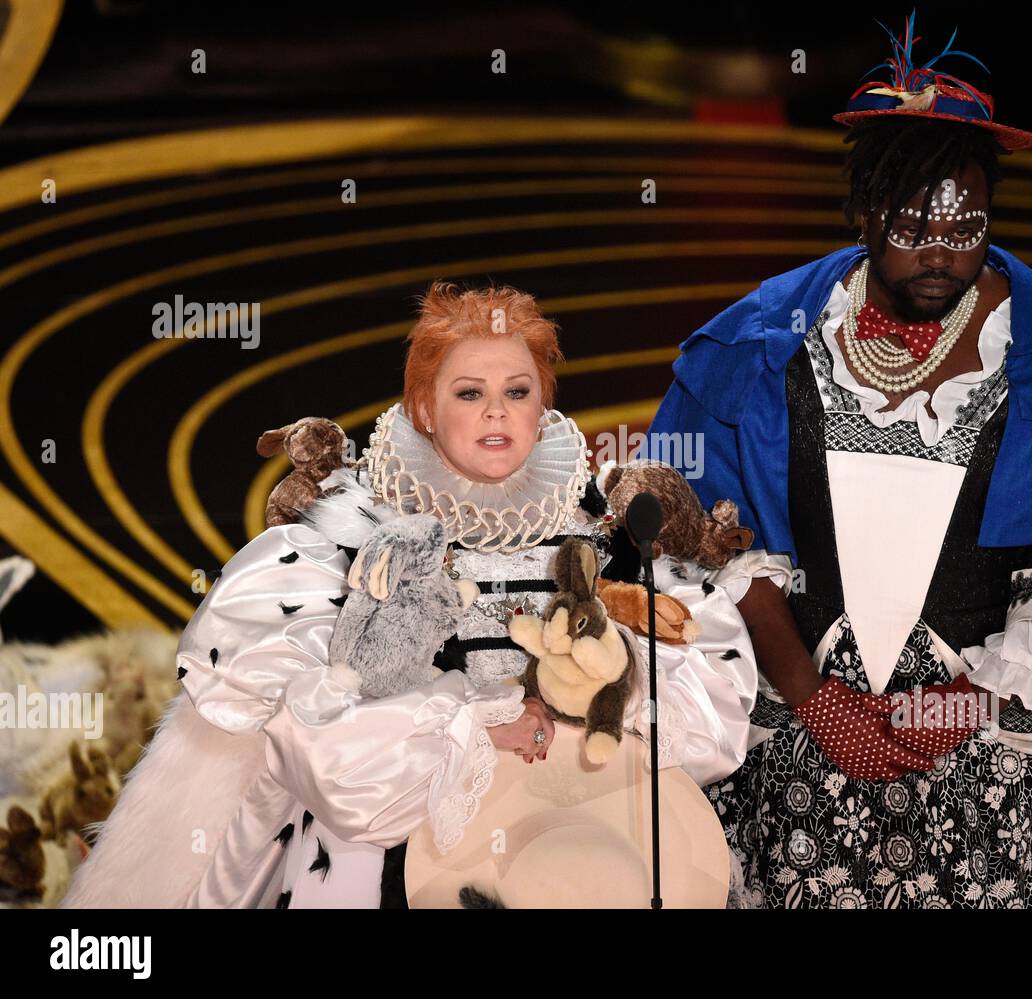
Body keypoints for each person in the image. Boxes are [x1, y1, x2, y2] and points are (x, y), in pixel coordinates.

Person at [640, 12, 1032, 909]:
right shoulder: (765, 345)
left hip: (997, 722)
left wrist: (943, 713)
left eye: (967, 226)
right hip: (791, 703)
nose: (941, 252)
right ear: (867, 214)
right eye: (912, 228)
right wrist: (817, 701)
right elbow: (710, 543)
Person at [63, 281, 758, 908]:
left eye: (517, 391)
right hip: (389, 846)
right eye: (469, 393)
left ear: (542, 400)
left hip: (565, 831)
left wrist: (599, 691)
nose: (496, 412)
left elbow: (705, 720)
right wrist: (477, 727)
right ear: (424, 406)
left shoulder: (599, 525)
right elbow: (323, 746)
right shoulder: (355, 532)